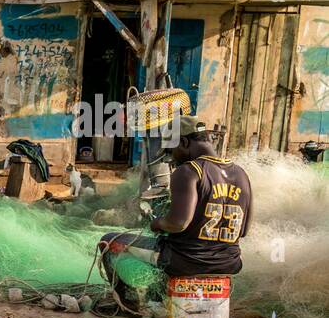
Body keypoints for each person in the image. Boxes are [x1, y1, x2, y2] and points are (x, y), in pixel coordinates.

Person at [97, 116, 252, 302]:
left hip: (185, 261)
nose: (171, 158)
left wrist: (157, 223)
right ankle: (159, 299)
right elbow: (244, 230)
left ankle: (128, 304)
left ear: (184, 142)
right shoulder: (241, 173)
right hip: (229, 262)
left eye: (171, 151)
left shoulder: (188, 171)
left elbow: (178, 223)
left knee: (107, 241)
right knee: (169, 248)